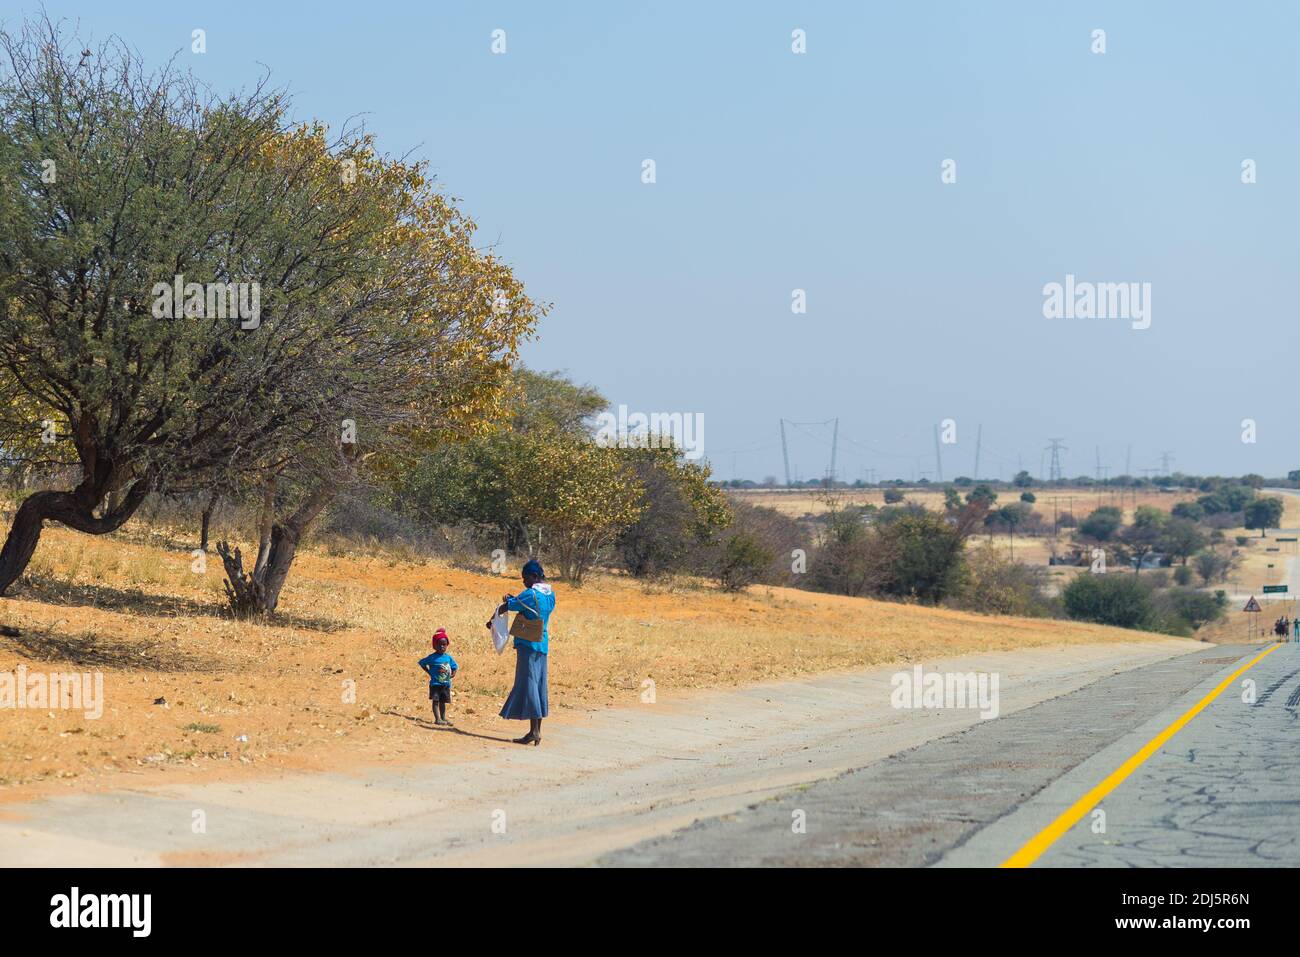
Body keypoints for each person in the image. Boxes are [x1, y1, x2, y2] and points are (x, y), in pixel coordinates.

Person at [493, 559, 555, 745]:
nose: (524, 582)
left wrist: (495, 617)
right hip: (542, 643)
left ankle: (534, 732)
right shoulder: (550, 594)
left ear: (534, 576)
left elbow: (509, 606)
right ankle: (535, 731)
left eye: (525, 578)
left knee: (529, 686)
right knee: (538, 686)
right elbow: (528, 606)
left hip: (527, 644)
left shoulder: (530, 593)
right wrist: (515, 599)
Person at [418, 629, 458, 726]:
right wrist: (428, 672)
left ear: (447, 645)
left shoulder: (448, 657)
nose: (442, 647)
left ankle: (443, 718)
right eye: (439, 645)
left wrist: (453, 673)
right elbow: (422, 663)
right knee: (435, 701)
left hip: (445, 684)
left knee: (442, 702)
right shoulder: (432, 657)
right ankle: (437, 719)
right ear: (434, 646)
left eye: (444, 645)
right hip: (435, 684)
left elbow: (454, 666)